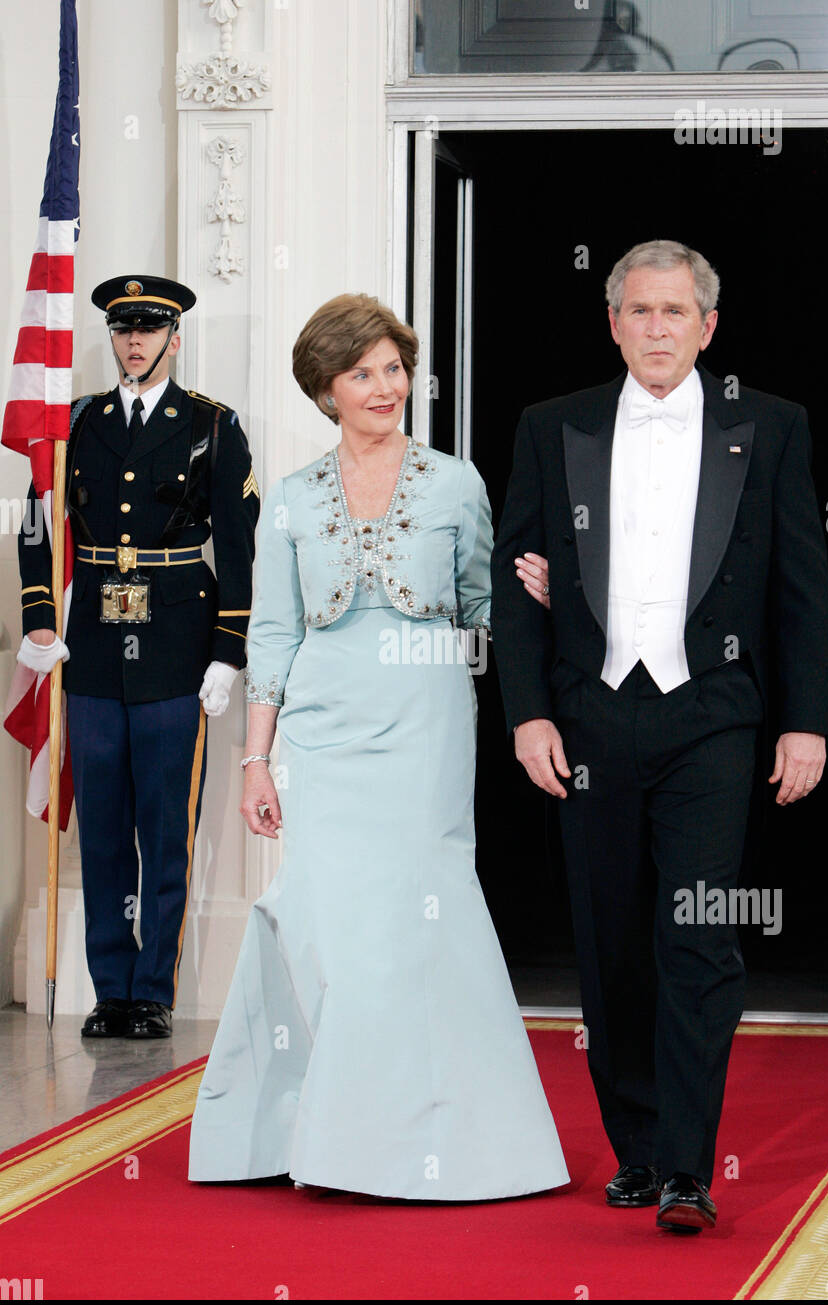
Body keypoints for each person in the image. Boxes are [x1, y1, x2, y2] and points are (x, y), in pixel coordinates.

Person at [188, 293, 569, 1200]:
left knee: (421, 912)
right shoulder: (288, 498)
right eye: (363, 372)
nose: (385, 385)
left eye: (394, 368)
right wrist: (254, 760)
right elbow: (271, 637)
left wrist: (546, 602)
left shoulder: (456, 483)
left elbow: (484, 610)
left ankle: (450, 1143)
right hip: (322, 729)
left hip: (427, 721)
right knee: (330, 922)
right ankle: (320, 1133)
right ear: (326, 388)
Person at [491, 240, 828, 1232]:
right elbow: (517, 590)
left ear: (706, 325)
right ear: (611, 322)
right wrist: (526, 712)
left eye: (672, 312)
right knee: (609, 944)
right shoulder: (550, 427)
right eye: (636, 311)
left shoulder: (766, 427)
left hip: (710, 715)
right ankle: (636, 1147)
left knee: (694, 934)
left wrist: (803, 720)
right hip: (589, 714)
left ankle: (686, 1165)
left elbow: (801, 589)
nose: (653, 328)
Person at [16, 275, 259, 1039]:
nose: (134, 341)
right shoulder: (78, 422)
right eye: (123, 329)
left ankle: (152, 989)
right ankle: (110, 988)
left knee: (163, 824)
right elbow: (35, 521)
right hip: (89, 643)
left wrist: (229, 651)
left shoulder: (212, 427)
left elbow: (242, 549)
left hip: (176, 644)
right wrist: (40, 617)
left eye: (149, 329)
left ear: (174, 339)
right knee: (104, 823)